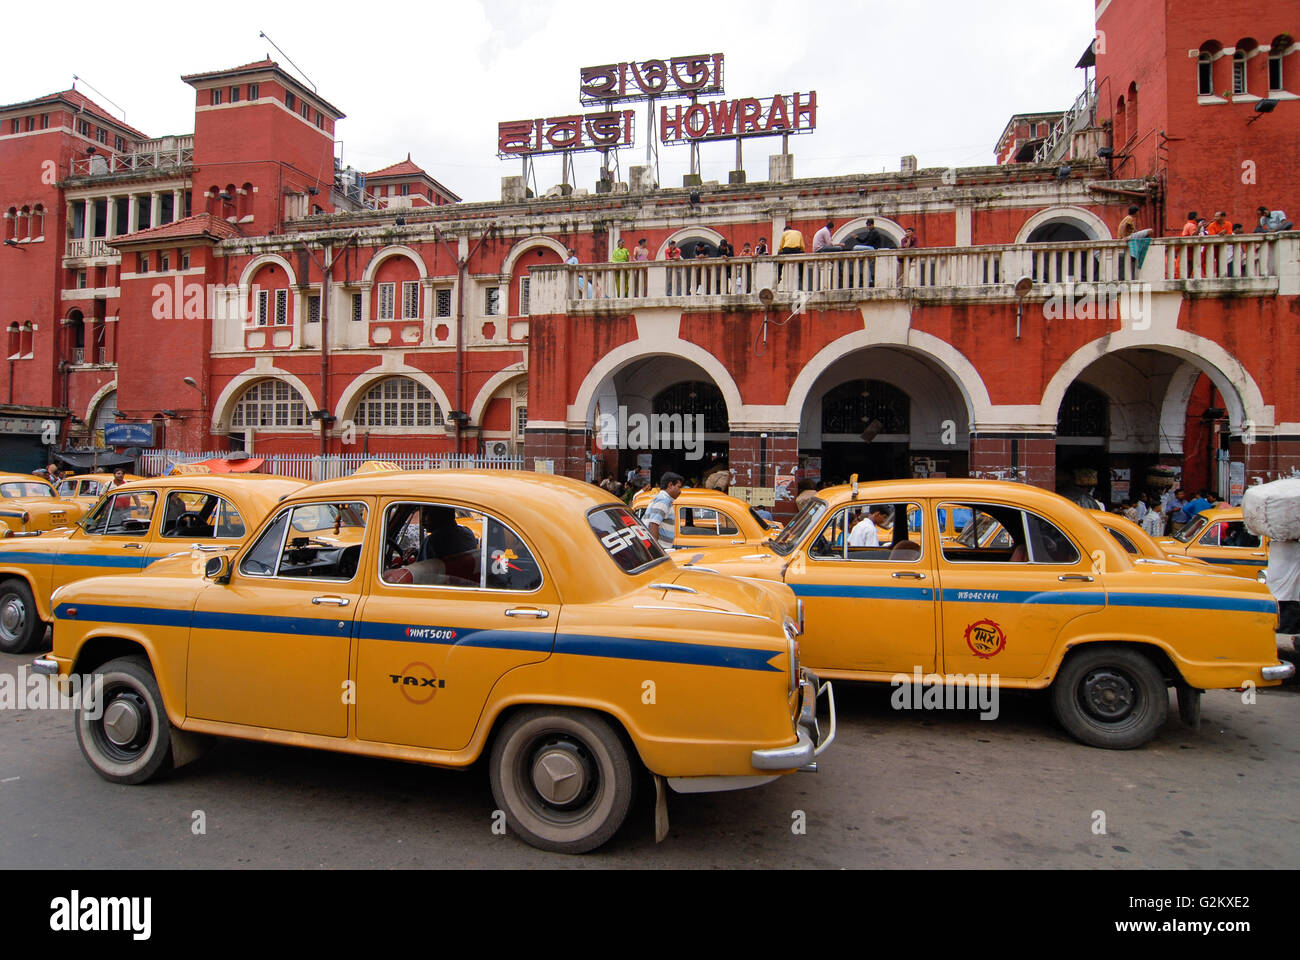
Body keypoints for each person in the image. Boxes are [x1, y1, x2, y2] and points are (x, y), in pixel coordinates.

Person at [642, 472, 683, 550]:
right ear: (670, 485)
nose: (680, 491)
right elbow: (653, 524)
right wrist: (655, 549)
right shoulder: (663, 500)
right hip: (660, 549)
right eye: (678, 487)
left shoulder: (665, 500)